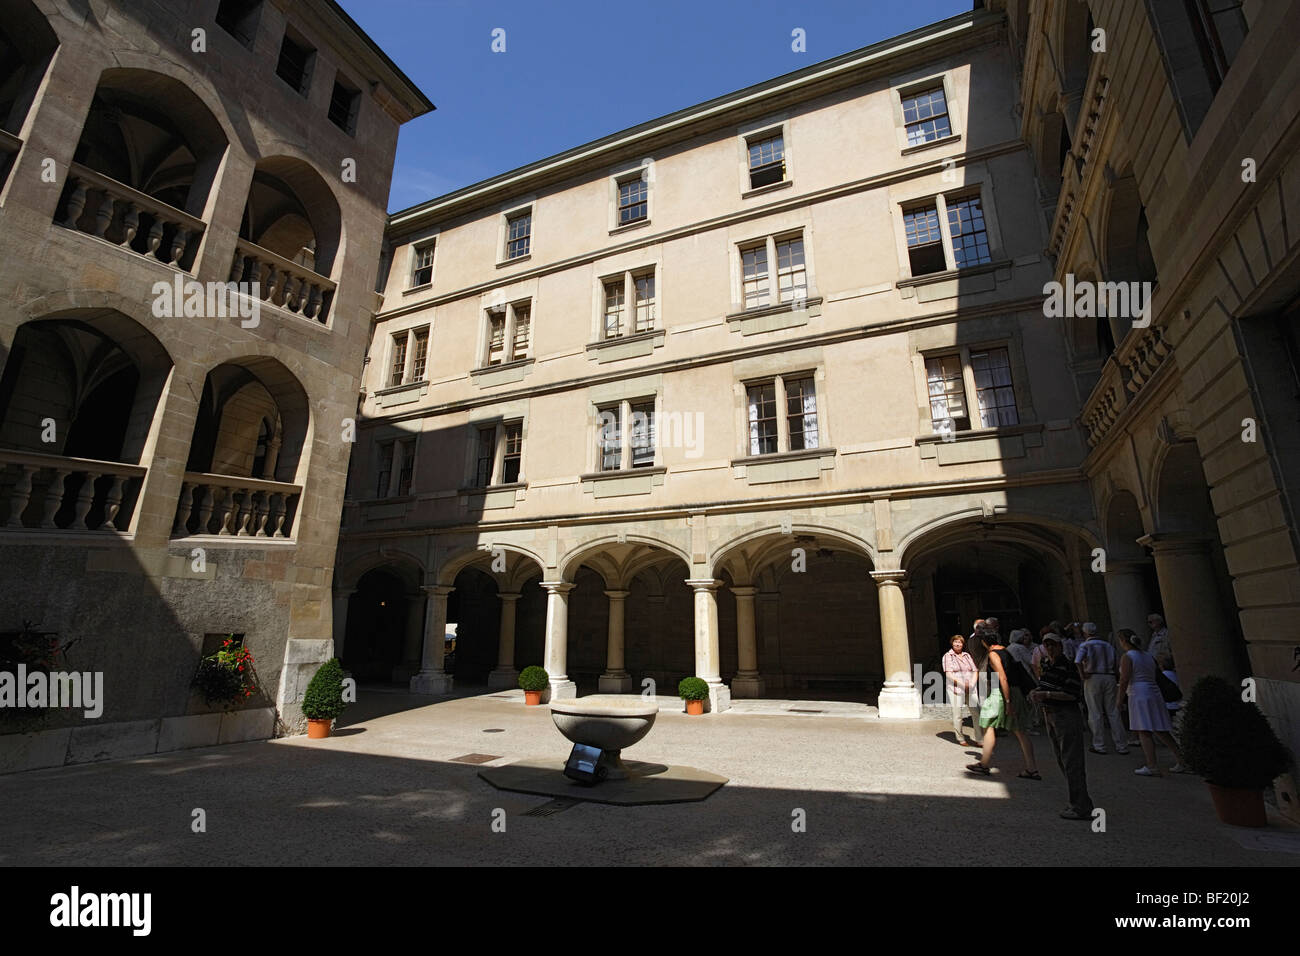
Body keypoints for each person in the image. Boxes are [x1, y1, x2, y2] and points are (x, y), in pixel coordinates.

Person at [1029, 633, 1094, 820]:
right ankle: (1080, 801)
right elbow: (1044, 686)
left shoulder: (1067, 666)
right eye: (1046, 645)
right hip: (1051, 715)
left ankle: (1080, 806)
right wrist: (1037, 692)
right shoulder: (1048, 665)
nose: (1050, 648)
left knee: (1072, 762)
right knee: (1062, 759)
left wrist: (1047, 695)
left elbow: (1072, 694)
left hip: (1066, 715)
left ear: (1061, 646)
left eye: (1053, 645)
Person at [966, 629, 1040, 779]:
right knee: (1014, 730)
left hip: (1002, 694)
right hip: (1010, 693)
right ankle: (1029, 768)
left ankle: (986, 764)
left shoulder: (993, 654)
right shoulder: (1006, 651)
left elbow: (1003, 678)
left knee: (992, 726)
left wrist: (1008, 702)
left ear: (984, 643)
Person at [1117, 630, 1189, 776]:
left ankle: (1152, 765)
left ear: (1124, 641)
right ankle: (1182, 760)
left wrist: (1119, 699)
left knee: (1143, 730)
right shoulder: (1148, 656)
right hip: (1154, 691)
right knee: (1160, 729)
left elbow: (1124, 679)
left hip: (1138, 693)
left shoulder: (1127, 657)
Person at [1075, 622, 1128, 755]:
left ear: (1085, 633)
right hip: (1109, 676)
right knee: (1113, 711)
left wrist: (1082, 674)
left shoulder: (1085, 645)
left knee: (1095, 711)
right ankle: (1121, 745)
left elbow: (1077, 660)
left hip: (1092, 677)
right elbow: (1116, 663)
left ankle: (1099, 744)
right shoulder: (1108, 645)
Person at [942, 634, 980, 746]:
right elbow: (949, 674)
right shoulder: (948, 656)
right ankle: (960, 738)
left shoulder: (967, 655)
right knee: (958, 713)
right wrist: (963, 685)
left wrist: (972, 683)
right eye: (955, 642)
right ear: (952, 643)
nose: (957, 644)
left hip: (970, 687)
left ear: (963, 644)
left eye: (960, 642)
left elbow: (975, 670)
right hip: (956, 688)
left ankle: (979, 738)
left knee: (976, 712)